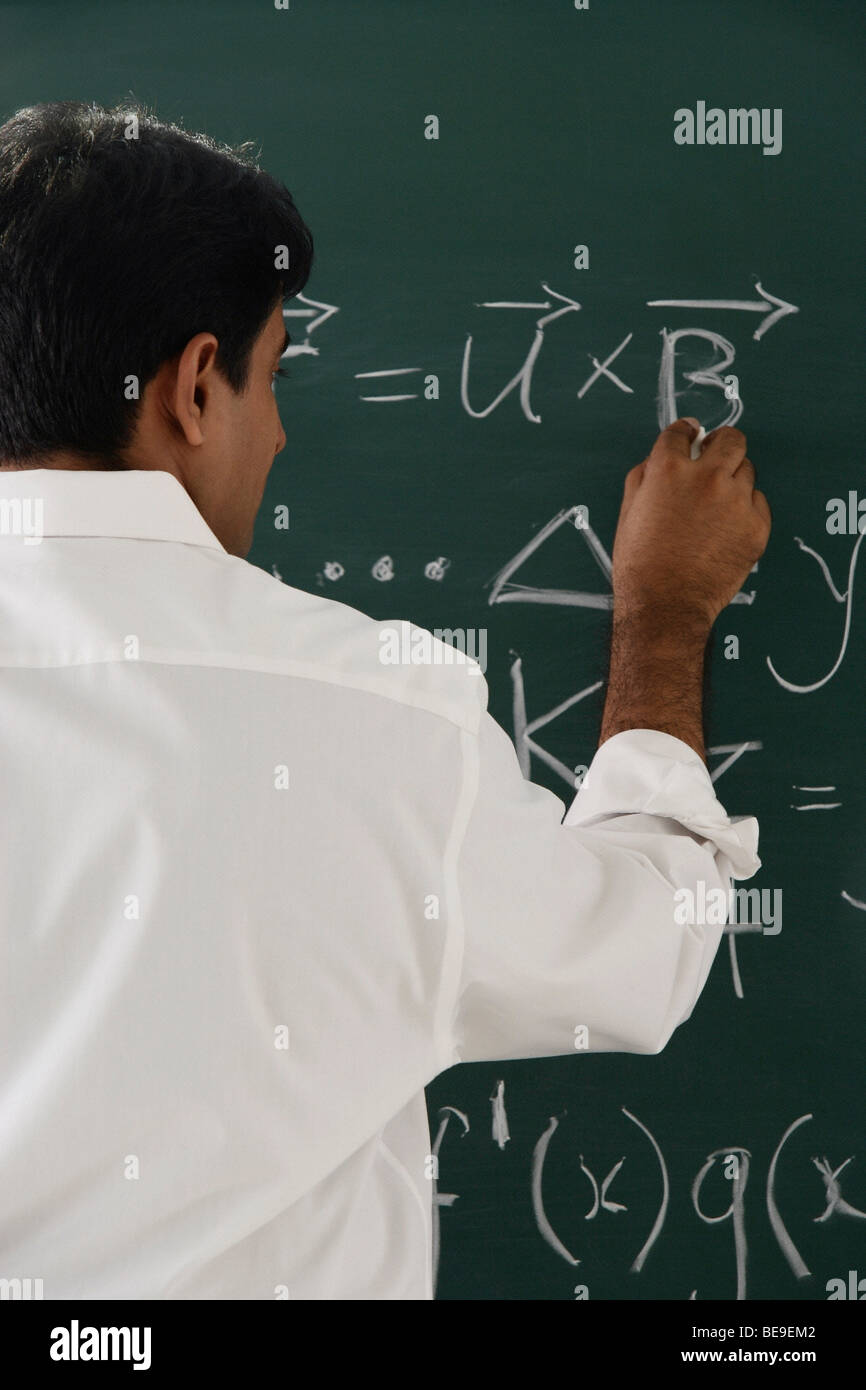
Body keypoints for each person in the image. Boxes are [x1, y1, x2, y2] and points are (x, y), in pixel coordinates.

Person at [0, 101, 770, 1300]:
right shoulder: (370, 717)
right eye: (273, 379)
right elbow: (640, 957)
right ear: (195, 387)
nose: (283, 432)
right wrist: (662, 615)